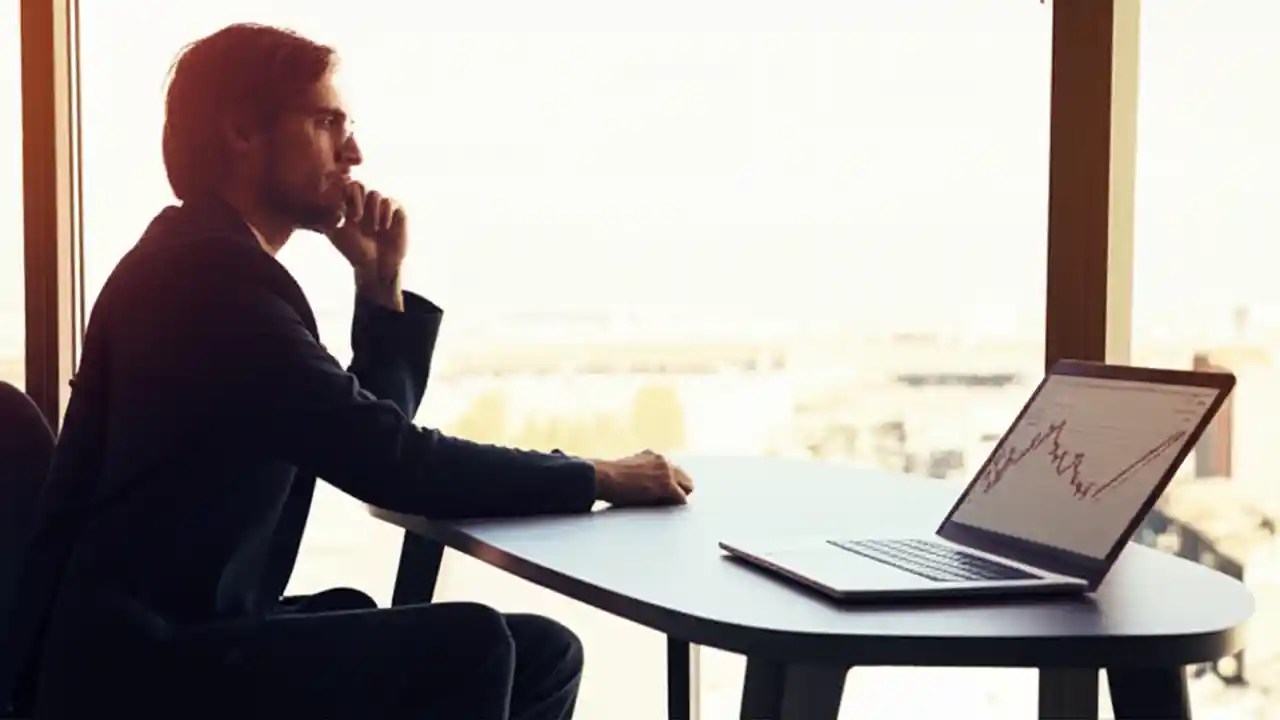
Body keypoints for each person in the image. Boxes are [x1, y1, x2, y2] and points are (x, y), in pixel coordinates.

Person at [3, 22, 694, 720]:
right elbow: (392, 461)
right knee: (472, 647)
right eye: (327, 123)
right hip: (135, 675)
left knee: (543, 653)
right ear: (242, 131)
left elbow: (364, 434)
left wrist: (379, 284)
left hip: (181, 637)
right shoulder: (210, 285)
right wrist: (597, 476)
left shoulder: (206, 263)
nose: (354, 153)